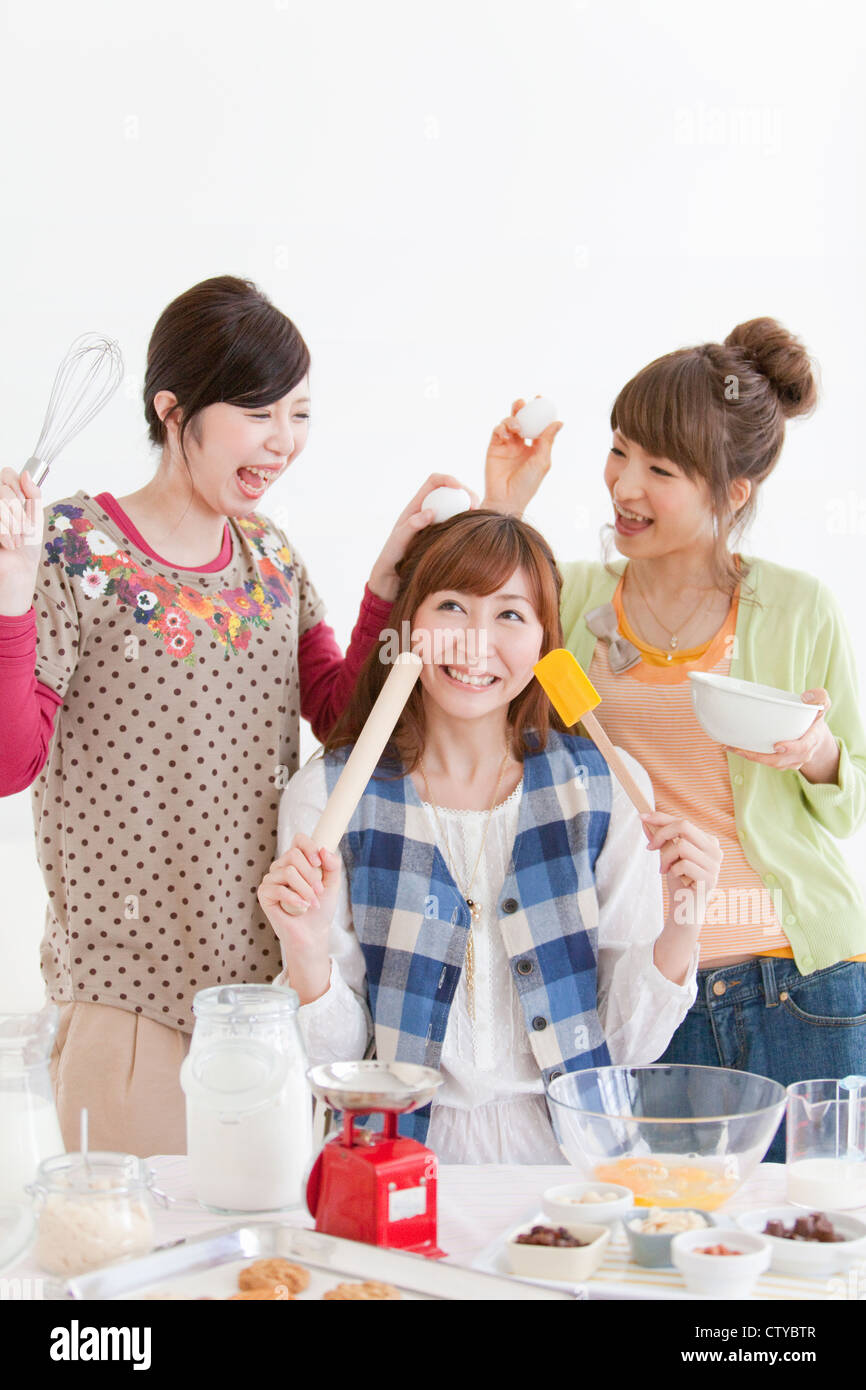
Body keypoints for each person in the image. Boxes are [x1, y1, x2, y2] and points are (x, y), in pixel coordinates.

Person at [0, 274, 470, 1156]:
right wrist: (10, 603)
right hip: (128, 1002)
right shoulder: (68, 549)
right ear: (174, 412)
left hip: (265, 1010)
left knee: (261, 1282)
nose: (283, 441)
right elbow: (7, 764)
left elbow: (338, 718)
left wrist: (386, 581)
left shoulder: (269, 556)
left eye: (298, 414)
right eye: (259, 414)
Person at [483, 319, 866, 1162]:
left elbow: (854, 794)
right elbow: (470, 650)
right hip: (647, 988)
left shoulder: (798, 608)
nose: (625, 485)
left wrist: (816, 754)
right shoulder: (572, 598)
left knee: (817, 1250)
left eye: (661, 470)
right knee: (656, 1251)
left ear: (734, 492)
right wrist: (504, 506)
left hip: (800, 981)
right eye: (620, 452)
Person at [259, 511, 722, 1163]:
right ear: (409, 627)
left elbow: (624, 1050)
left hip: (576, 1161)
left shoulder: (608, 789)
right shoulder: (329, 797)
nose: (476, 644)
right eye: (451, 606)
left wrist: (682, 922)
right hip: (397, 1158)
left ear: (543, 642)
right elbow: (334, 1063)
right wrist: (304, 953)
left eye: (510, 615)